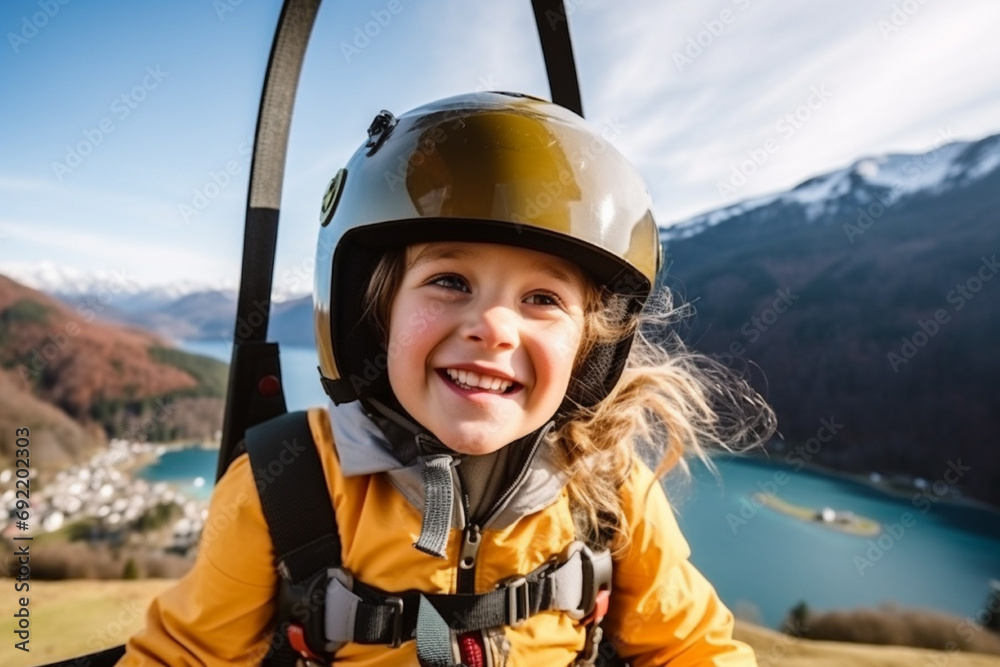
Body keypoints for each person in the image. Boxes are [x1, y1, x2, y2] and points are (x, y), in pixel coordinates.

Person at [118, 91, 776, 666]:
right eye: (449, 281)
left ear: (588, 348)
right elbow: (186, 655)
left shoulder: (607, 487)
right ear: (372, 316)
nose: (493, 327)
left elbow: (691, 647)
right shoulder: (286, 482)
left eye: (543, 299)